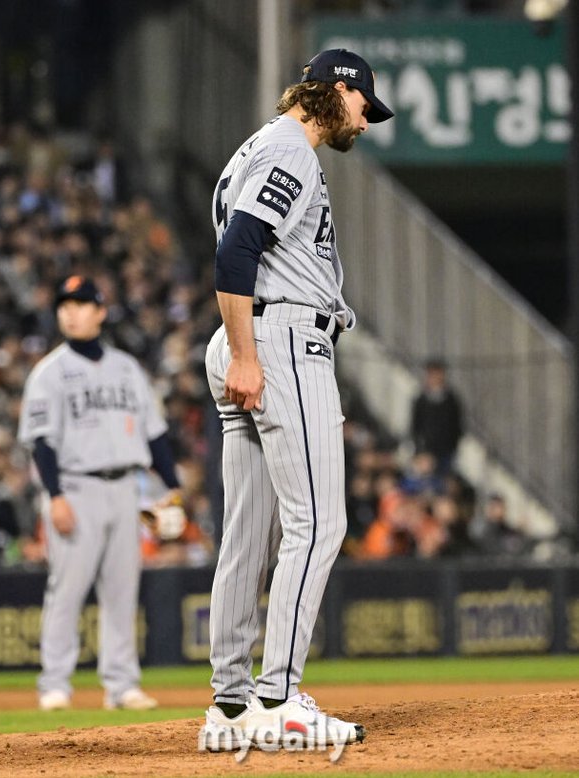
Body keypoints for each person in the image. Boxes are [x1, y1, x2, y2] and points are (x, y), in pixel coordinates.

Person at [202, 49, 394, 748]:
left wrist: (240, 347)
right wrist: (250, 355)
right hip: (277, 337)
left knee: (250, 534)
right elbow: (238, 251)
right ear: (337, 91)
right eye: (364, 105)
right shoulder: (291, 149)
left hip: (250, 336)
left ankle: (230, 703)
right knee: (318, 522)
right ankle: (278, 698)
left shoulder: (255, 145)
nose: (366, 121)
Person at [19, 275, 182, 711]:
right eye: (65, 304)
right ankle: (55, 684)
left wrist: (174, 488)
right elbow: (42, 442)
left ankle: (122, 685)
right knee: (66, 590)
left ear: (101, 312)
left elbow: (156, 437)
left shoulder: (127, 369)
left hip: (126, 488)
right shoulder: (49, 373)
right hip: (75, 488)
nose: (71, 311)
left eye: (81, 303)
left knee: (121, 591)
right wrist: (54, 495)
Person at [410, 358, 464, 477]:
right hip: (427, 450)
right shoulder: (421, 400)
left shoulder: (451, 400)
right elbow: (415, 426)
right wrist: (420, 449)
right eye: (431, 374)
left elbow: (457, 425)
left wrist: (453, 446)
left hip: (446, 450)